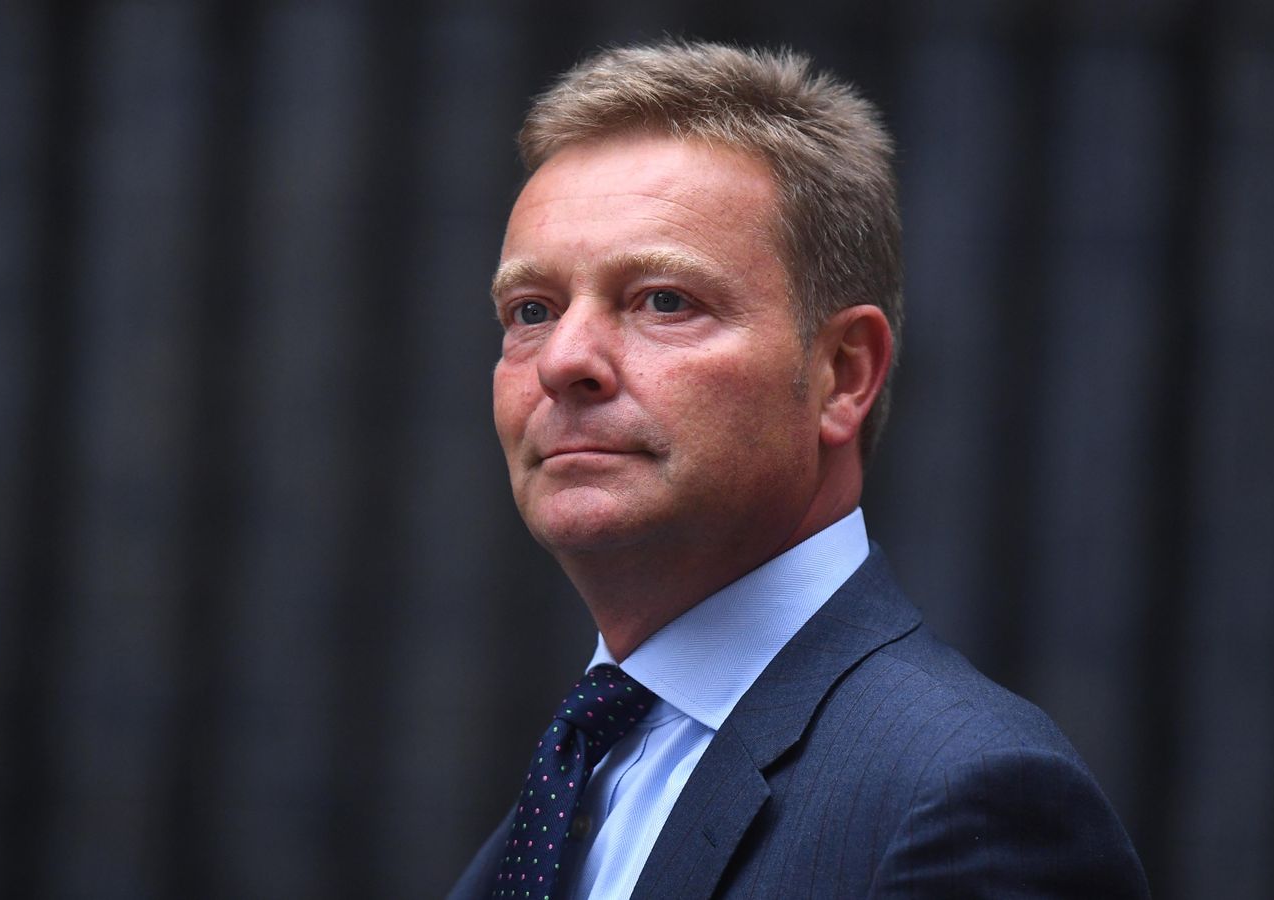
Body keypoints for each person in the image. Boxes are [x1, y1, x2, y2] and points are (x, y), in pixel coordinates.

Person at [450, 40, 1149, 899]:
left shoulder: (966, 800)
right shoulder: (583, 769)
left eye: (663, 300)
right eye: (531, 310)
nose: (565, 360)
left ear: (843, 373)